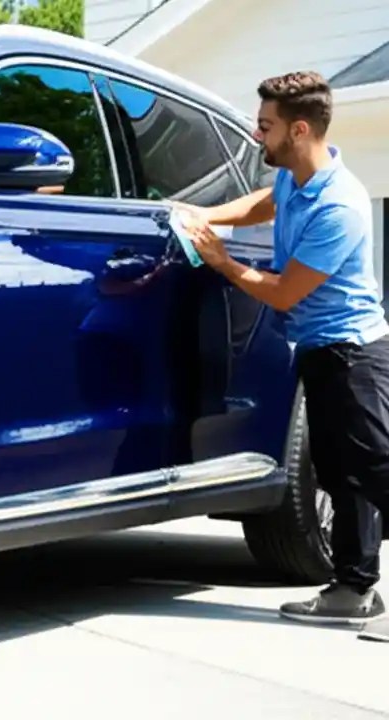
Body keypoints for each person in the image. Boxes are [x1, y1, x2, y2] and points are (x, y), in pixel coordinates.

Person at [179, 70, 388, 643]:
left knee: (375, 470)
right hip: (322, 351)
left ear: (299, 129)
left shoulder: (339, 206)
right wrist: (201, 215)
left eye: (265, 126)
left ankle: (356, 586)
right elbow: (261, 204)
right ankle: (354, 590)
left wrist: (221, 261)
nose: (256, 134)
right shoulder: (296, 179)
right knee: (344, 476)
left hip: (354, 354)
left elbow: (283, 292)